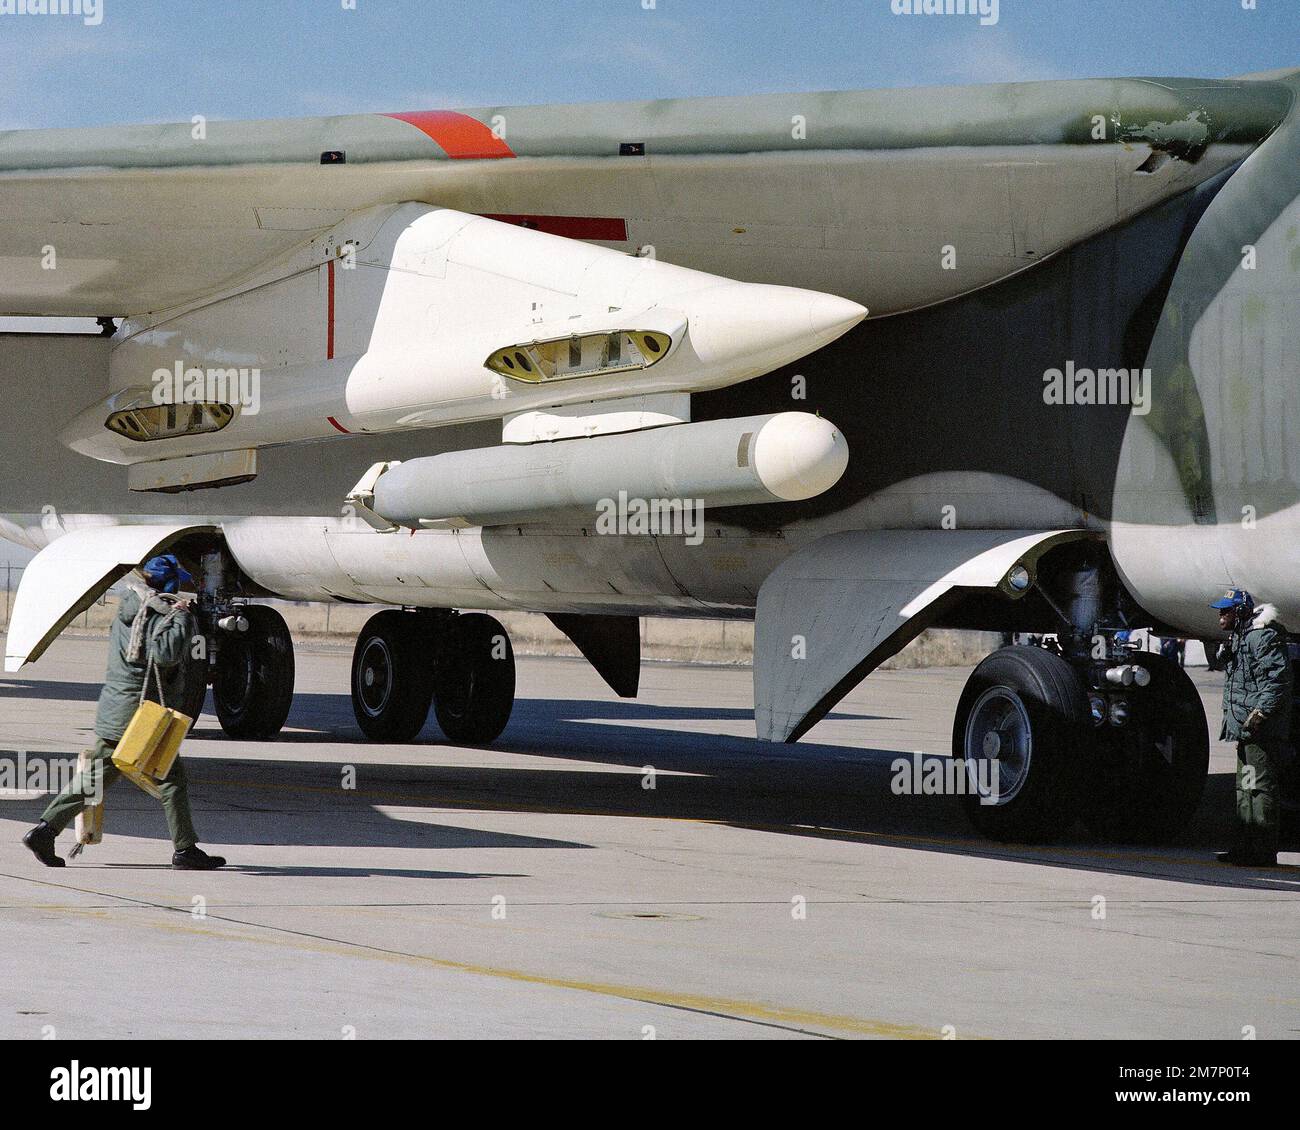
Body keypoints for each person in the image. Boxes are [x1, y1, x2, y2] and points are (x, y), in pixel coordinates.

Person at [22, 554, 226, 871]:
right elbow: (167, 655)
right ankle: (185, 850)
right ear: (169, 583)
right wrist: (184, 618)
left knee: (95, 778)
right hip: (140, 718)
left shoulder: (129, 609)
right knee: (171, 780)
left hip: (115, 712)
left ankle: (45, 831)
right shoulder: (159, 614)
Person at [1211, 589, 1292, 867]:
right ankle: (1245, 847)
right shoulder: (1240, 638)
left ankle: (1262, 850)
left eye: (1227, 610)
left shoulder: (1261, 637)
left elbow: (1277, 679)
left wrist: (1260, 713)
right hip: (1245, 730)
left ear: (1242, 612)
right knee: (1244, 788)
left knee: (1260, 788)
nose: (1221, 615)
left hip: (1260, 731)